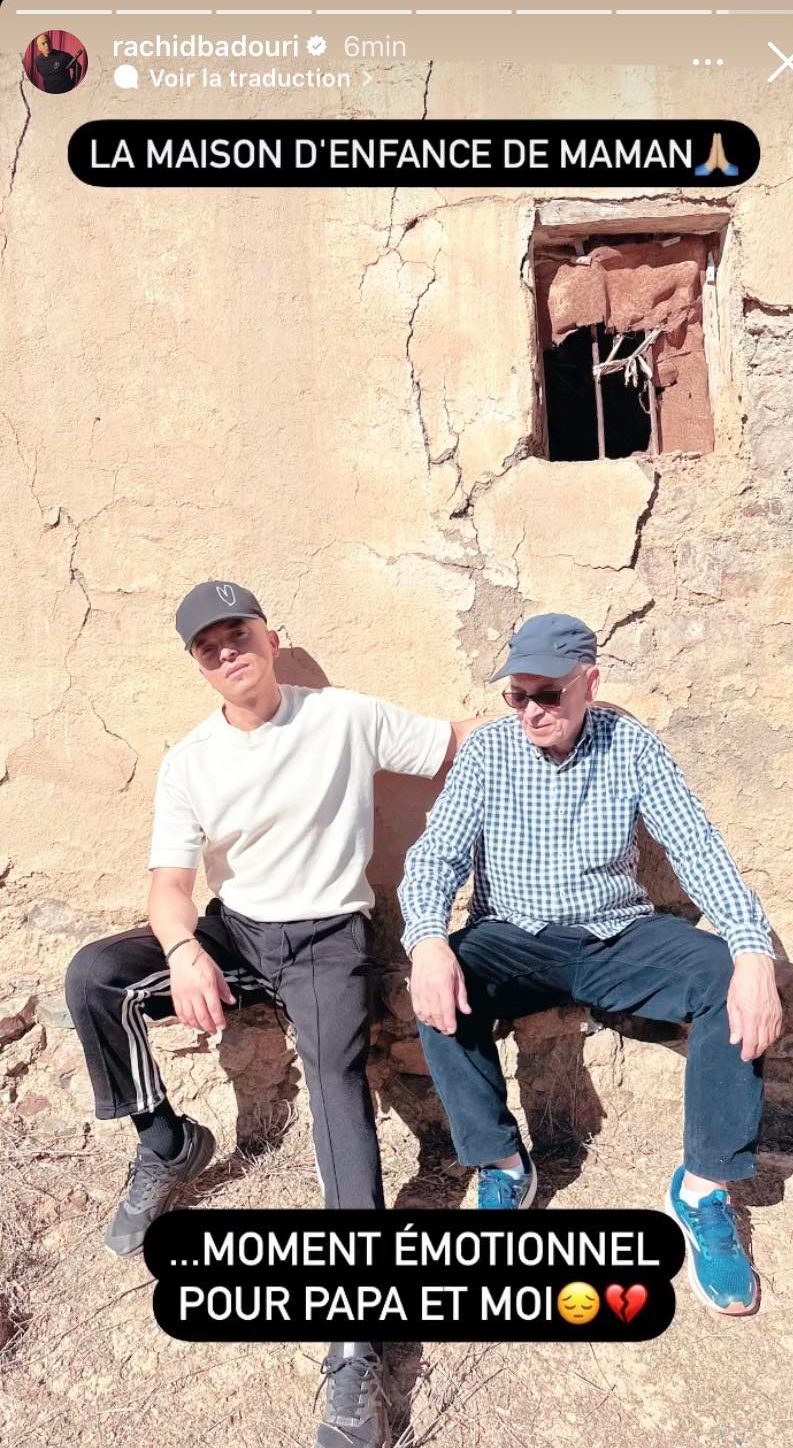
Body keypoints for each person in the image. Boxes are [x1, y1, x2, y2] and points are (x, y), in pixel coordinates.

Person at [66, 579, 483, 1448]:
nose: (227, 652)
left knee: (337, 1098)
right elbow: (169, 891)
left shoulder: (342, 717)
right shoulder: (190, 760)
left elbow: (455, 743)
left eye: (238, 633)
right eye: (208, 645)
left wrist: (553, 708)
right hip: (237, 933)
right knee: (95, 975)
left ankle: (357, 1341)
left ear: (271, 637)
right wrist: (184, 951)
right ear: (197, 664)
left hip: (329, 936)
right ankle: (165, 1143)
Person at [399, 612, 783, 1316]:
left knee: (727, 974)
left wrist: (752, 947)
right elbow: (435, 855)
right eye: (518, 695)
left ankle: (703, 1190)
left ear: (589, 683)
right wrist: (424, 938)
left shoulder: (630, 746)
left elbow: (696, 849)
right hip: (510, 936)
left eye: (549, 694)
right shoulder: (488, 752)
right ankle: (505, 1167)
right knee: (441, 977)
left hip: (616, 936)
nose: (532, 711)